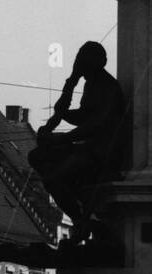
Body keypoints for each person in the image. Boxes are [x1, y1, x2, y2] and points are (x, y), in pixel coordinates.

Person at [29, 42, 126, 240]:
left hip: (103, 152)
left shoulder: (108, 86)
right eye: (80, 63)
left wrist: (62, 138)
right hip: (87, 148)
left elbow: (96, 125)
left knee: (54, 179)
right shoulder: (90, 83)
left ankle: (80, 219)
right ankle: (79, 209)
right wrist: (70, 83)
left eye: (84, 64)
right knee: (36, 155)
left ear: (98, 63)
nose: (82, 69)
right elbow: (81, 116)